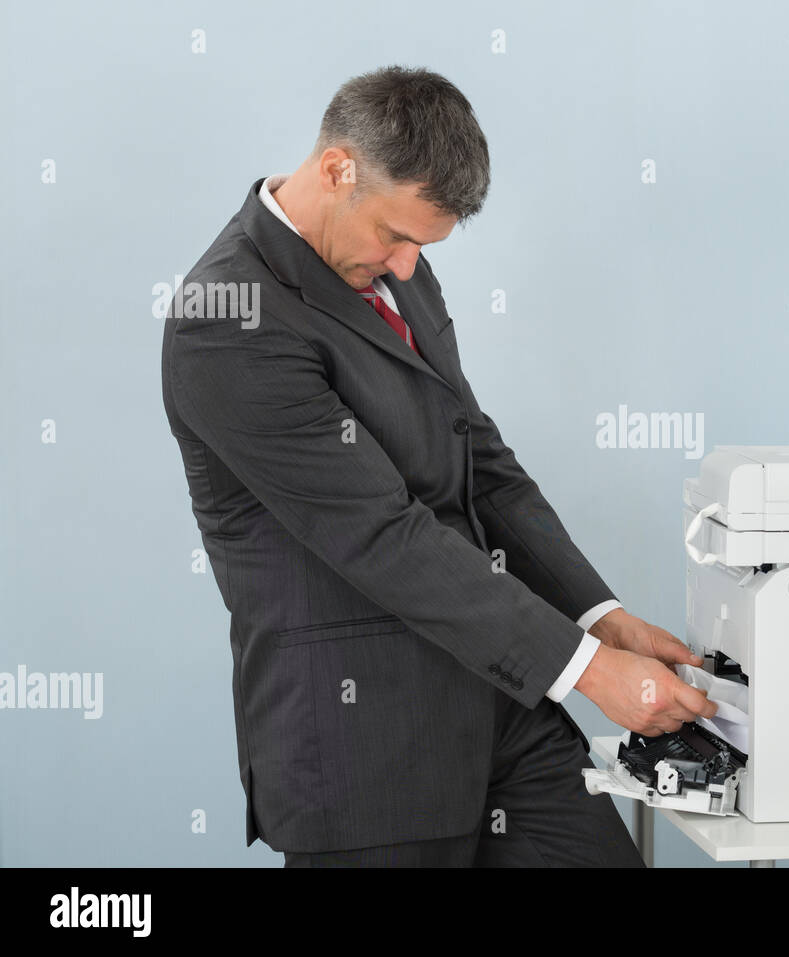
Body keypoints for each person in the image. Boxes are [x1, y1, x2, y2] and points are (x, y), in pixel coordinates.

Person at [160, 65, 716, 867]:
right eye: (397, 235)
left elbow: (478, 458)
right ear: (336, 168)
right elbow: (385, 536)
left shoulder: (393, 266)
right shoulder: (227, 320)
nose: (410, 266)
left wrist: (600, 613)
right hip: (367, 753)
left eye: (425, 244)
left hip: (502, 702)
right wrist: (590, 670)